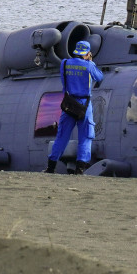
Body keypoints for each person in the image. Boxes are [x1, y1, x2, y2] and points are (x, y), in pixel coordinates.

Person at [46, 40, 104, 174]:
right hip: (84, 105)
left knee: (62, 136)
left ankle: (51, 167)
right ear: (87, 53)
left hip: (68, 104)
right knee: (85, 136)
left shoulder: (64, 63)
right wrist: (91, 62)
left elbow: (63, 81)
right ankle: (80, 169)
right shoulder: (88, 65)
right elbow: (100, 77)